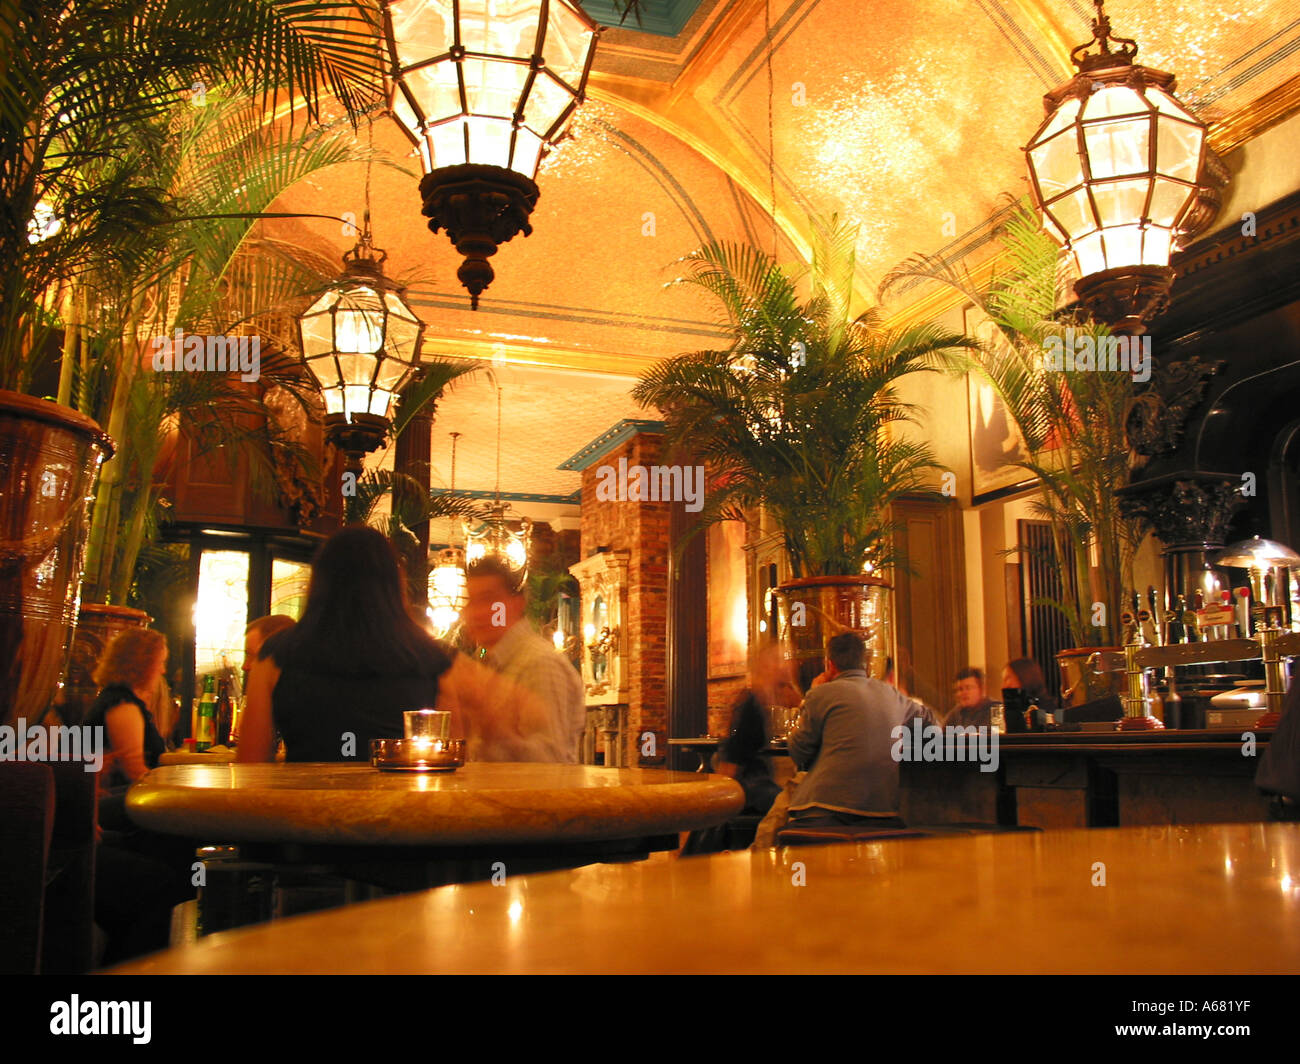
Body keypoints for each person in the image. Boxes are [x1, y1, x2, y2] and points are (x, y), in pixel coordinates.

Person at [238, 527, 457, 763]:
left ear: (320, 580)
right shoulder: (431, 660)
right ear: (394, 584)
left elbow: (250, 761)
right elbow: (452, 759)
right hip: (400, 798)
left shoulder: (276, 654)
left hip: (305, 796)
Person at [783, 632, 934, 833]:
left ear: (830, 664)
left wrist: (806, 702)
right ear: (864, 662)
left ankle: (749, 859)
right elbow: (931, 724)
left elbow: (799, 752)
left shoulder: (820, 693)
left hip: (826, 808)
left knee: (779, 812)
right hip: (883, 809)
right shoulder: (893, 695)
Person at [462, 556, 586, 763]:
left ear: (517, 604)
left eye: (488, 600)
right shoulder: (487, 663)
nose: (476, 612)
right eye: (471, 601)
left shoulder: (539, 664)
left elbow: (551, 763)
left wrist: (495, 730)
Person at [84, 628, 169, 790]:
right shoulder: (123, 706)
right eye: (160, 662)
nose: (162, 670)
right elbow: (133, 772)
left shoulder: (114, 697)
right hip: (114, 802)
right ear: (142, 664)